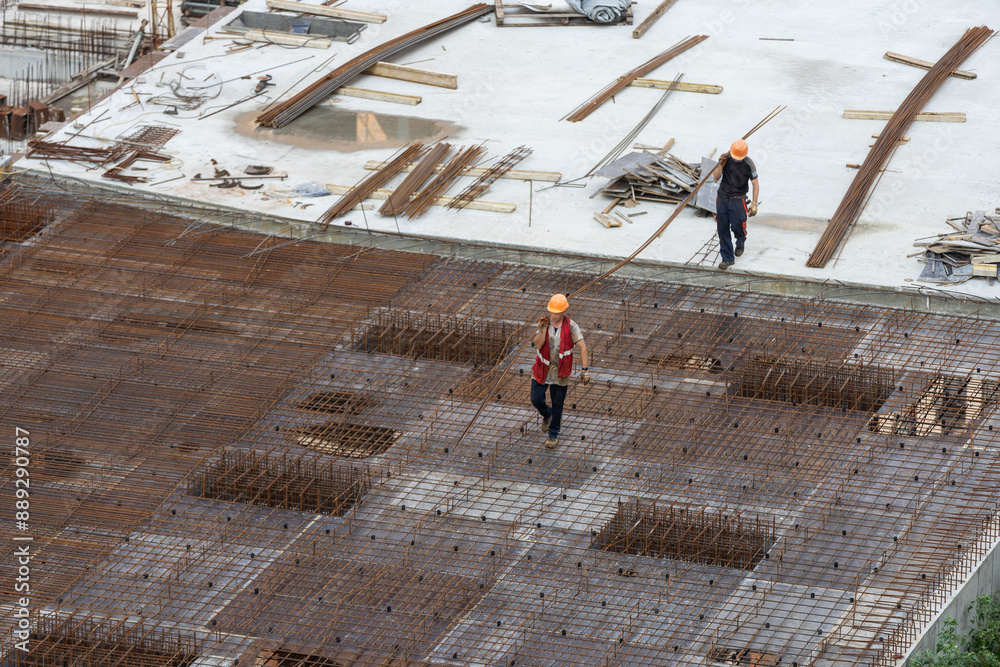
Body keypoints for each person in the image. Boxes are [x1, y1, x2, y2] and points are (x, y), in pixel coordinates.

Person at [530, 293, 590, 449]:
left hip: (560, 371)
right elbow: (537, 344)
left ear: (564, 312)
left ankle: (553, 434)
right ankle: (547, 414)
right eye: (552, 312)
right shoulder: (544, 324)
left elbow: (582, 347)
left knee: (558, 404)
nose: (553, 315)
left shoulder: (571, 326)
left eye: (556, 312)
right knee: (536, 399)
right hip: (542, 369)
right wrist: (542, 330)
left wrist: (585, 369)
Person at [711, 139, 759, 270]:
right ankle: (727, 258)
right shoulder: (725, 159)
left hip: (738, 200)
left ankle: (740, 241)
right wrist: (720, 165)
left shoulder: (749, 164)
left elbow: (755, 183)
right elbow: (715, 177)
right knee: (722, 229)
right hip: (722, 198)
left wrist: (754, 203)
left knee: (738, 226)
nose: (737, 160)